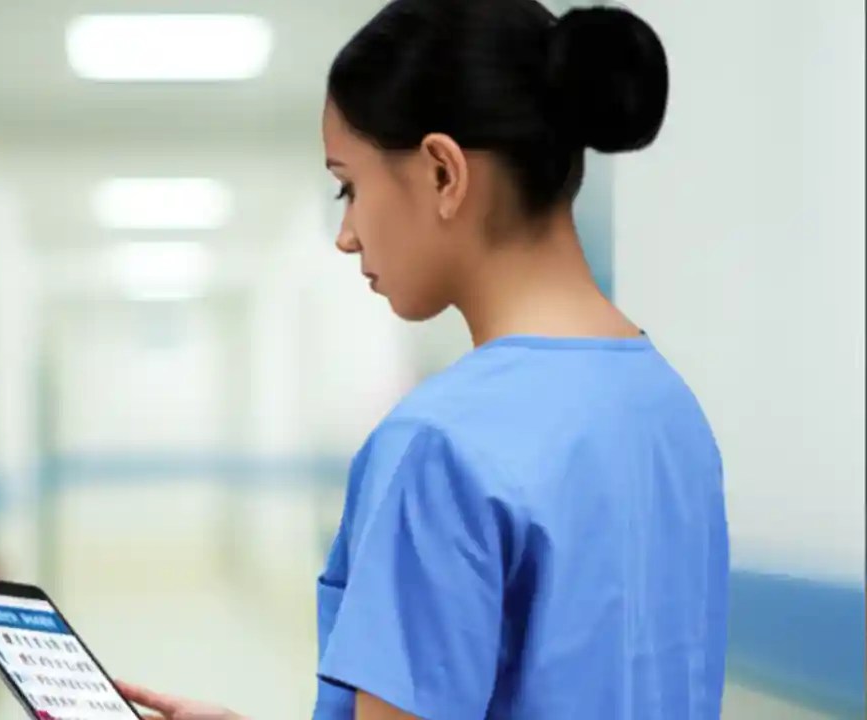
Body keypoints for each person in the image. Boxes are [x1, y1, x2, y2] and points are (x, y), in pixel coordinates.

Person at [118, 0, 728, 717]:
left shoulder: (442, 445)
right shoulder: (670, 410)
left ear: (443, 173)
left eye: (348, 186)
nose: (344, 235)